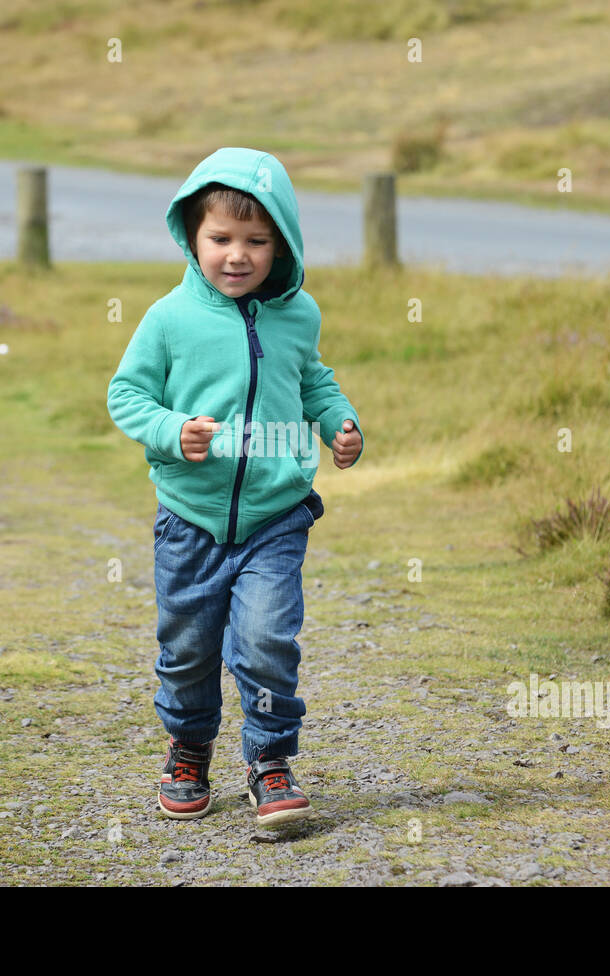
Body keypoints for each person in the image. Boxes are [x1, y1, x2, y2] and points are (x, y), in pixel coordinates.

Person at [106, 147, 364, 826]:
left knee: (266, 639)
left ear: (282, 244)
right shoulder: (169, 318)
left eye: (257, 240)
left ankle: (271, 763)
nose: (237, 255)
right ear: (192, 237)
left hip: (276, 516)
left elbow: (313, 379)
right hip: (189, 517)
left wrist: (339, 422)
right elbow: (126, 394)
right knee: (188, 646)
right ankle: (189, 748)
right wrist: (170, 431)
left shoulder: (298, 314)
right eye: (221, 239)